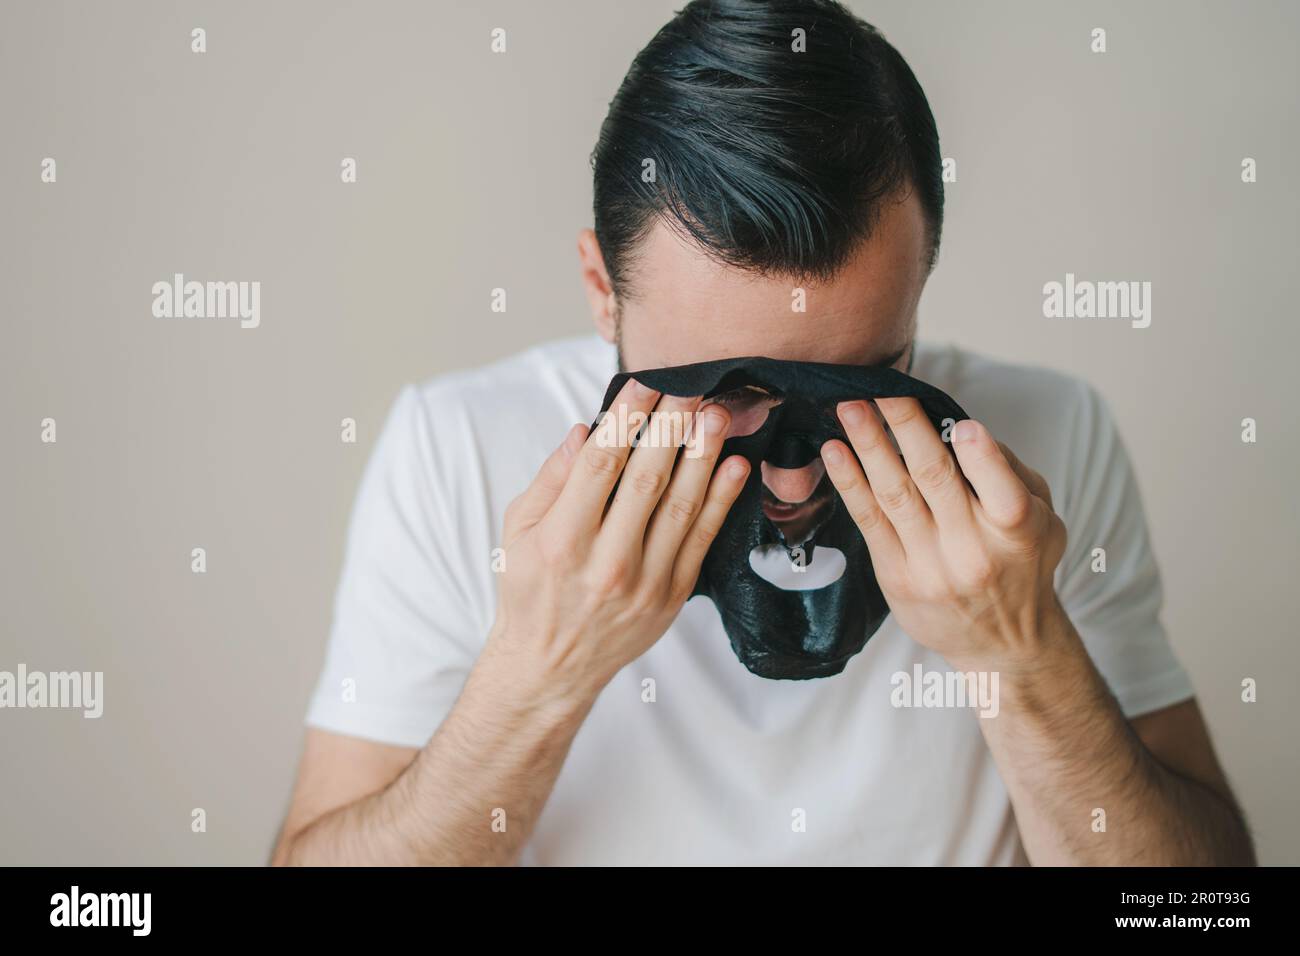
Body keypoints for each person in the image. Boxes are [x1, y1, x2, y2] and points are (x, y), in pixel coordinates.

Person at [271, 0, 1253, 865]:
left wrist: (1022, 653)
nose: (791, 484)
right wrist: (537, 672)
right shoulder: (455, 449)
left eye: (864, 379)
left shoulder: (1045, 445)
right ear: (601, 295)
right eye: (725, 389)